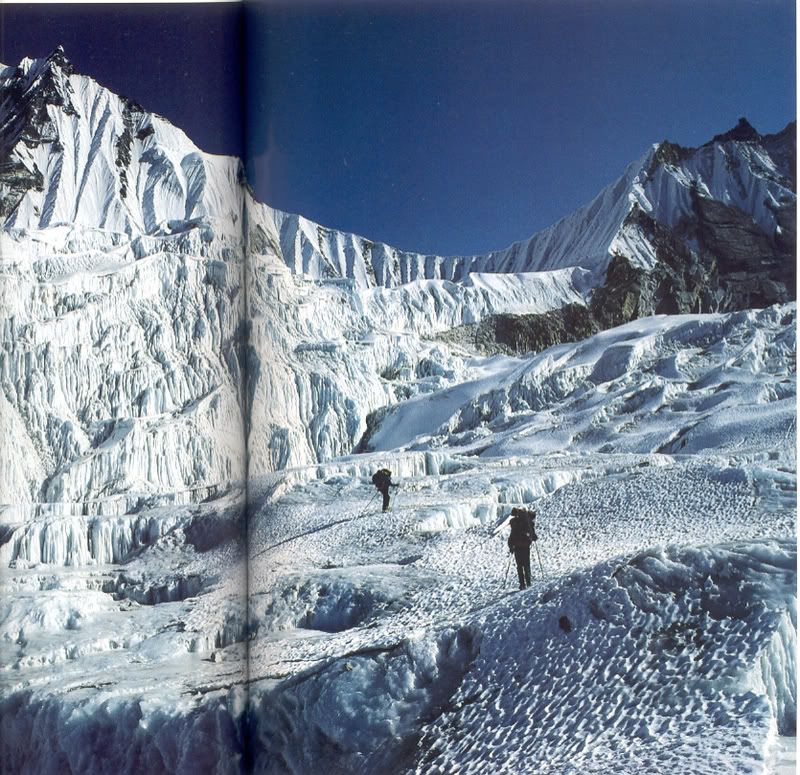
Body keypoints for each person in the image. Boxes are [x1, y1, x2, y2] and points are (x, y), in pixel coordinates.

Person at [508, 507, 537, 589]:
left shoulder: (515, 522)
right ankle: (528, 582)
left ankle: (522, 584)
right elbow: (532, 533)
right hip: (525, 546)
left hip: (517, 547)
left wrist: (511, 546)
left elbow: (512, 535)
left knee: (519, 566)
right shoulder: (527, 521)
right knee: (526, 564)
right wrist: (533, 537)